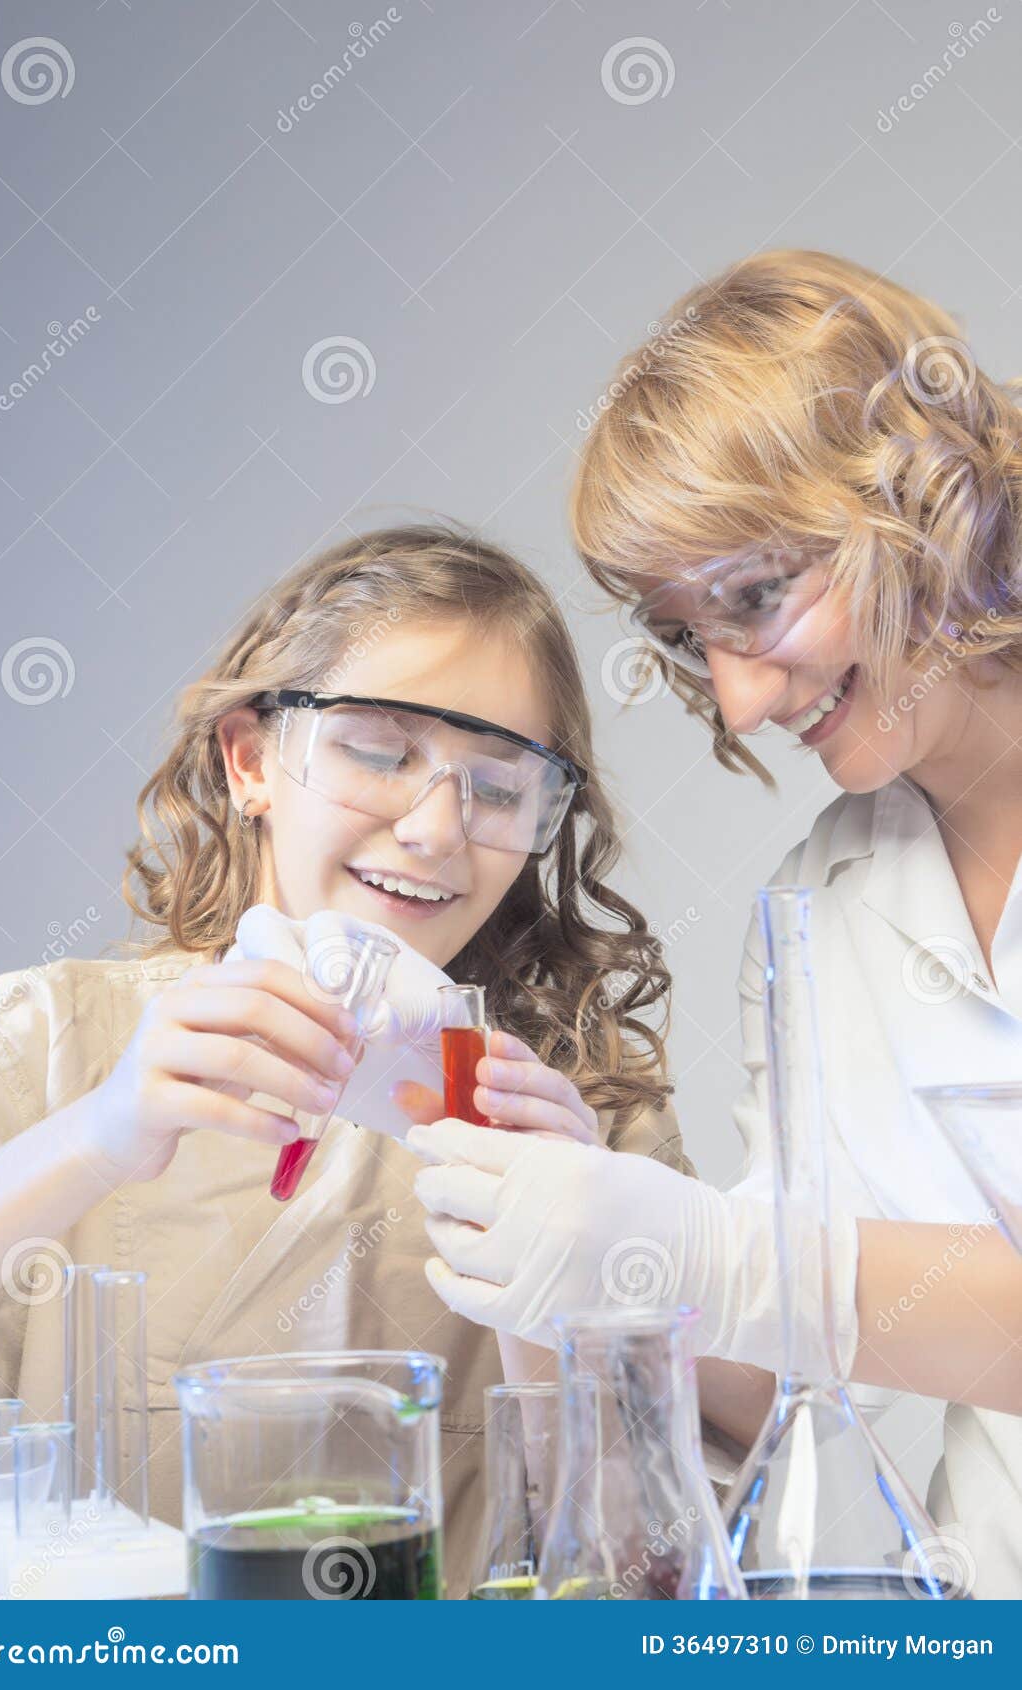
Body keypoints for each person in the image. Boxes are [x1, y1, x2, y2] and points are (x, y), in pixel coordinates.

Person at [408, 252, 1022, 1597]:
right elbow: (786, 1365)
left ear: (918, 495)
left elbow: (779, 1273)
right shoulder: (818, 912)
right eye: (687, 638)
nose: (736, 702)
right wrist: (616, 1246)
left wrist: (712, 1253)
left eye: (754, 597)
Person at [0, 524, 685, 1597]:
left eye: (497, 785)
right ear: (252, 759)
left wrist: (551, 1283)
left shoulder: (585, 1111)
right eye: (380, 753)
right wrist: (98, 1136)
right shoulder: (33, 1046)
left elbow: (641, 1584)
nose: (438, 828)